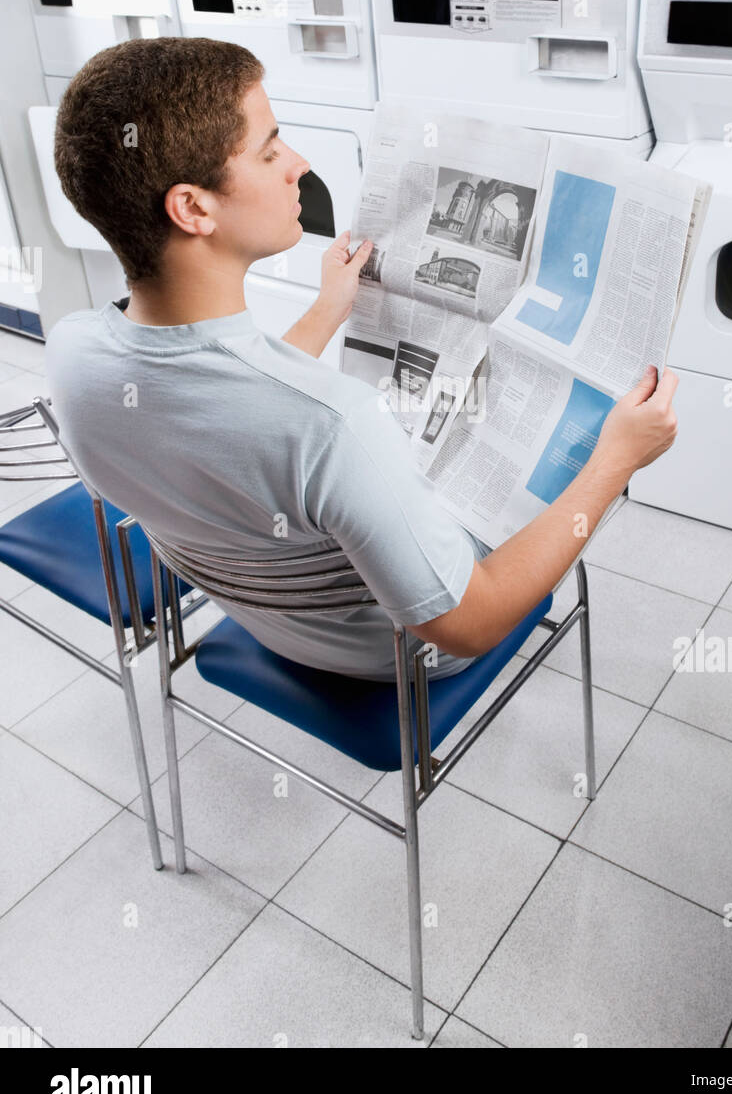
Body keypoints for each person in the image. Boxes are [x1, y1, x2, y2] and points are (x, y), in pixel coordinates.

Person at [46, 37, 678, 682]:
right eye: (269, 151)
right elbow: (469, 625)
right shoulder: (336, 423)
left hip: (267, 618)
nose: (297, 163)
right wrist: (616, 462)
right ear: (193, 208)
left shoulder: (73, 352)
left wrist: (329, 308)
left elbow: (228, 410)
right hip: (400, 655)